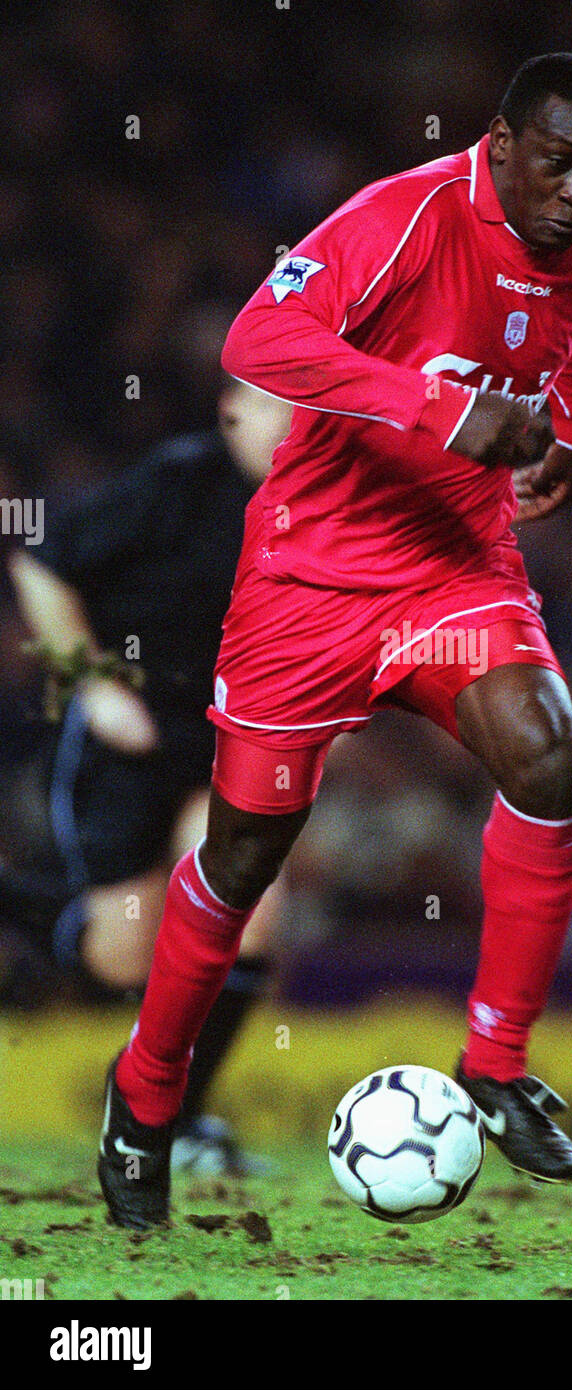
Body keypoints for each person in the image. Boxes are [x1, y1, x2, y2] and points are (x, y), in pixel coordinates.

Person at [98, 51, 572, 1227]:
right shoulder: (397, 219)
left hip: (454, 568)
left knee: (547, 756)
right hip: (312, 577)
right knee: (245, 857)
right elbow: (256, 343)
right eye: (554, 164)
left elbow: (558, 336)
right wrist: (443, 408)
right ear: (499, 144)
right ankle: (144, 1095)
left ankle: (494, 1064)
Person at [8, 377, 294, 1173]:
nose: (299, 427)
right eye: (281, 407)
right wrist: (92, 681)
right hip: (129, 743)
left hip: (231, 743)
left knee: (251, 912)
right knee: (122, 955)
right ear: (232, 412)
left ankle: (175, 1124)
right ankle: (20, 899)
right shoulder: (176, 483)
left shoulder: (331, 503)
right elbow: (39, 561)